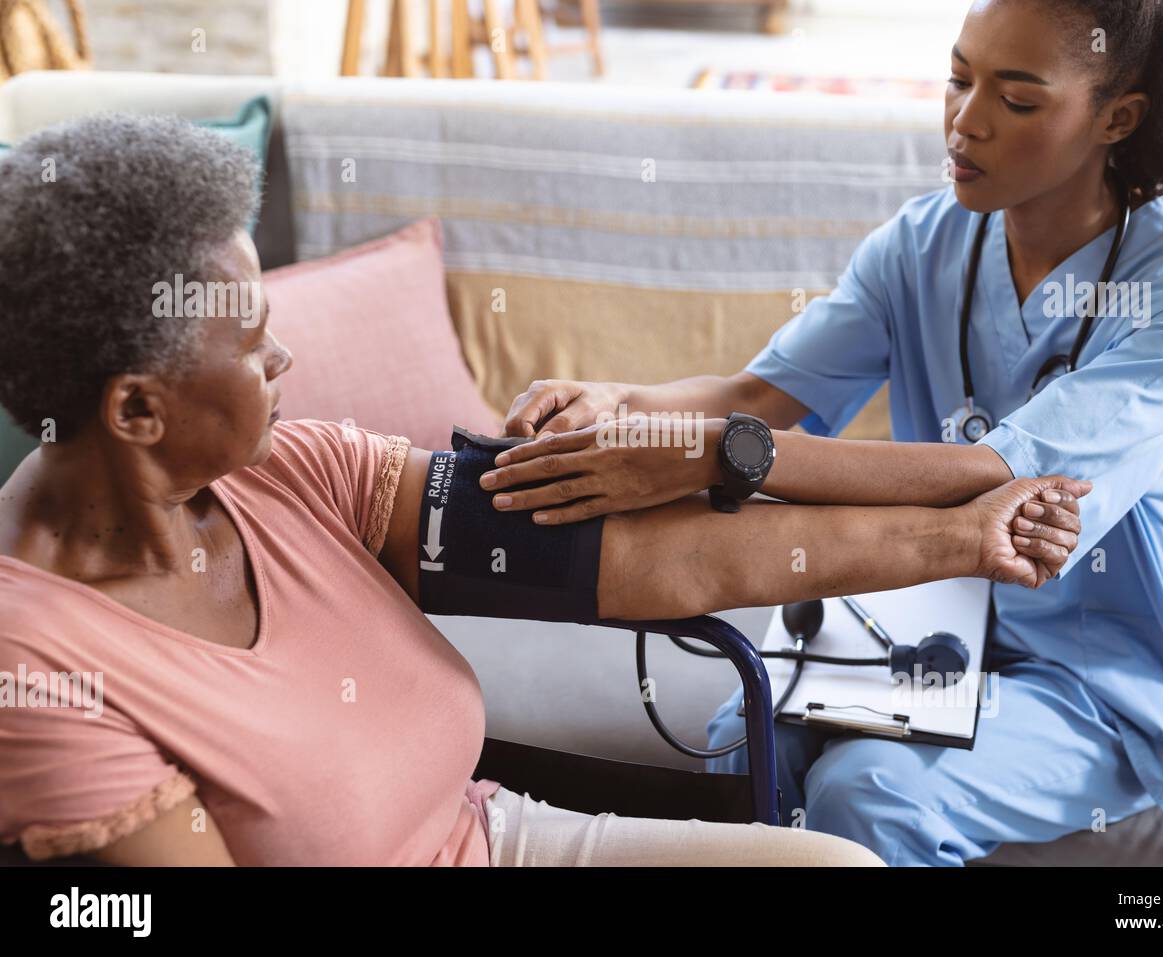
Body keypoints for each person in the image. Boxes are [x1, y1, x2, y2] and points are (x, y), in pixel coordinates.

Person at [0, 113, 1083, 867]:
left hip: (498, 839)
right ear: (137, 411)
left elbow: (650, 557)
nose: (284, 356)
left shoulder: (289, 469)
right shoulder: (38, 671)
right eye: (251, 341)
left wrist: (961, 538)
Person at [488, 0, 1163, 865]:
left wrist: (724, 452)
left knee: (868, 792)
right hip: (904, 621)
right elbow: (760, 391)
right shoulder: (925, 241)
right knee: (748, 744)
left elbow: (997, 475)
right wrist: (622, 404)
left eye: (1017, 99)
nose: (965, 122)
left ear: (1118, 117)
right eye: (959, 79)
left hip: (1097, 679)